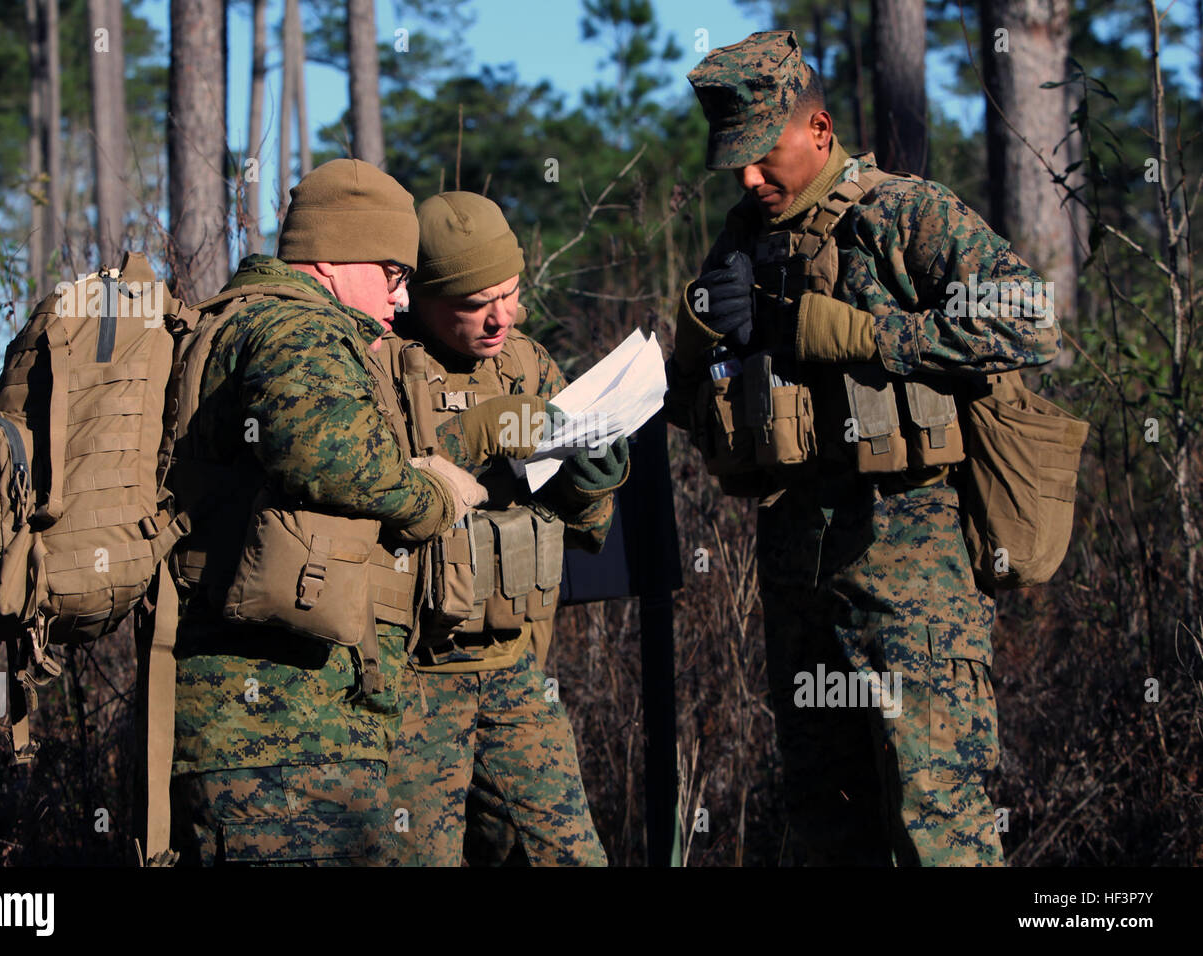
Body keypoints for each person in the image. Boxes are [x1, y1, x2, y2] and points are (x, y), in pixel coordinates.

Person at [664, 31, 1061, 866]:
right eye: (734, 161)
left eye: (763, 155)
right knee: (823, 819)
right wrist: (703, 332)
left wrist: (872, 336)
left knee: (937, 816)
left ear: (819, 128)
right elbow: (690, 404)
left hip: (909, 568)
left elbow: (1031, 317)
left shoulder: (904, 213)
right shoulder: (743, 239)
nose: (747, 178)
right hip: (795, 570)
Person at [164, 160, 540, 865]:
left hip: (274, 729)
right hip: (278, 731)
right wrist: (431, 496)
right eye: (392, 273)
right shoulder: (295, 328)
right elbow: (330, 456)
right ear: (331, 258)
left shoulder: (241, 322)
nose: (399, 301)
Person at [380, 191, 628, 866]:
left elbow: (582, 527)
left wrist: (593, 483)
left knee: (570, 855)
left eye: (510, 293)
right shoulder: (378, 364)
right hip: (411, 679)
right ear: (420, 295)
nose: (500, 317)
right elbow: (369, 490)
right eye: (473, 302)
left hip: (514, 668)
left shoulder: (525, 362)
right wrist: (476, 433)